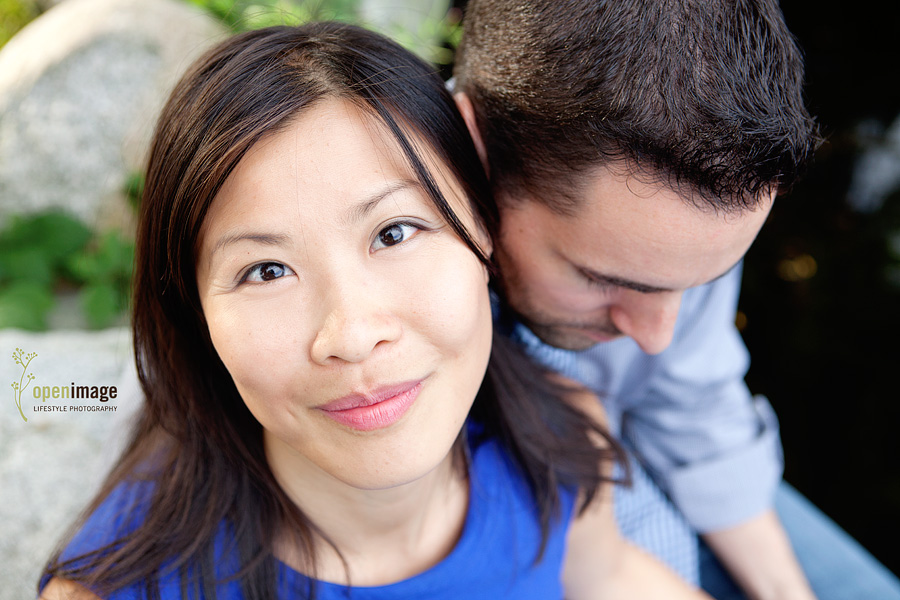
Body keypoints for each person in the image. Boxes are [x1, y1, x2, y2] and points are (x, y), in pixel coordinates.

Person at [38, 22, 713, 600]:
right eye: (265, 270)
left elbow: (608, 576)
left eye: (393, 233)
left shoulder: (553, 441)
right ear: (197, 319)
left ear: (485, 232)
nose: (352, 336)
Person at [452, 1, 900, 599]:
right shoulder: (368, 262)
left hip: (652, 453)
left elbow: (692, 404)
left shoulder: (685, 221)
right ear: (474, 149)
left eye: (696, 285)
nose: (658, 336)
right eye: (609, 279)